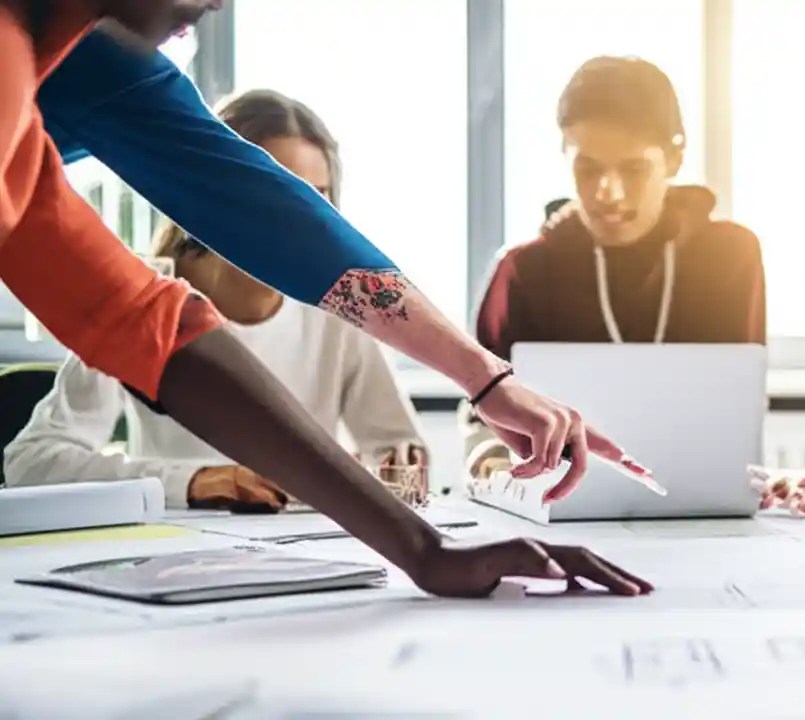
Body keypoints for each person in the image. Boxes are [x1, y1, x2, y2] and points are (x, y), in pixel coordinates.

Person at [3, 1, 651, 597]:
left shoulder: (93, 60)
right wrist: (423, 545)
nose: (220, 4)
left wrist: (482, 390)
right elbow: (145, 318)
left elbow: (235, 245)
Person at [5, 89, 426, 511]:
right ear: (211, 195)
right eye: (275, 195)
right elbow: (31, 462)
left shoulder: (339, 311)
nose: (302, 224)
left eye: (317, 199)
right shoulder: (140, 301)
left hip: (306, 551)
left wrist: (397, 467)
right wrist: (195, 481)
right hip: (178, 555)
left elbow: (398, 451)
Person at [465, 56, 766, 477]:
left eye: (634, 169)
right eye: (587, 169)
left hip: (697, 492)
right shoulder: (523, 270)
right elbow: (486, 418)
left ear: (674, 160)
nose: (609, 193)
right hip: (558, 499)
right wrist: (492, 465)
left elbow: (737, 403)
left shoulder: (730, 257)